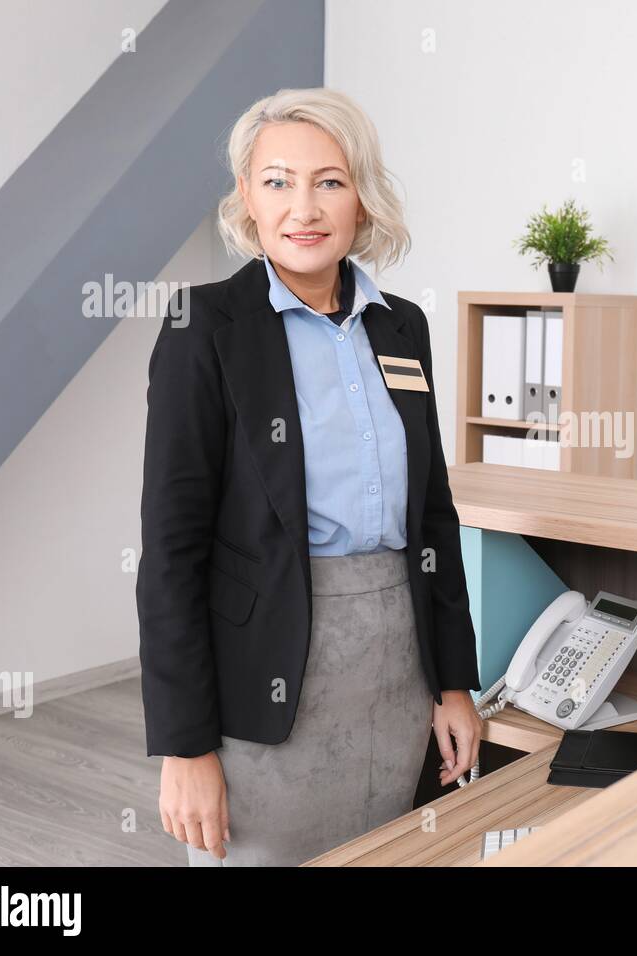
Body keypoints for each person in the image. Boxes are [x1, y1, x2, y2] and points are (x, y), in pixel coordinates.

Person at [135, 87, 482, 866]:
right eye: (277, 181)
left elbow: (433, 516)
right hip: (264, 682)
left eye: (329, 180)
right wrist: (184, 747)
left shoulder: (403, 327)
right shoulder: (204, 329)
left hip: (396, 675)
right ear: (248, 202)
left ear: (362, 197)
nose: (305, 206)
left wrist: (456, 681)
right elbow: (171, 553)